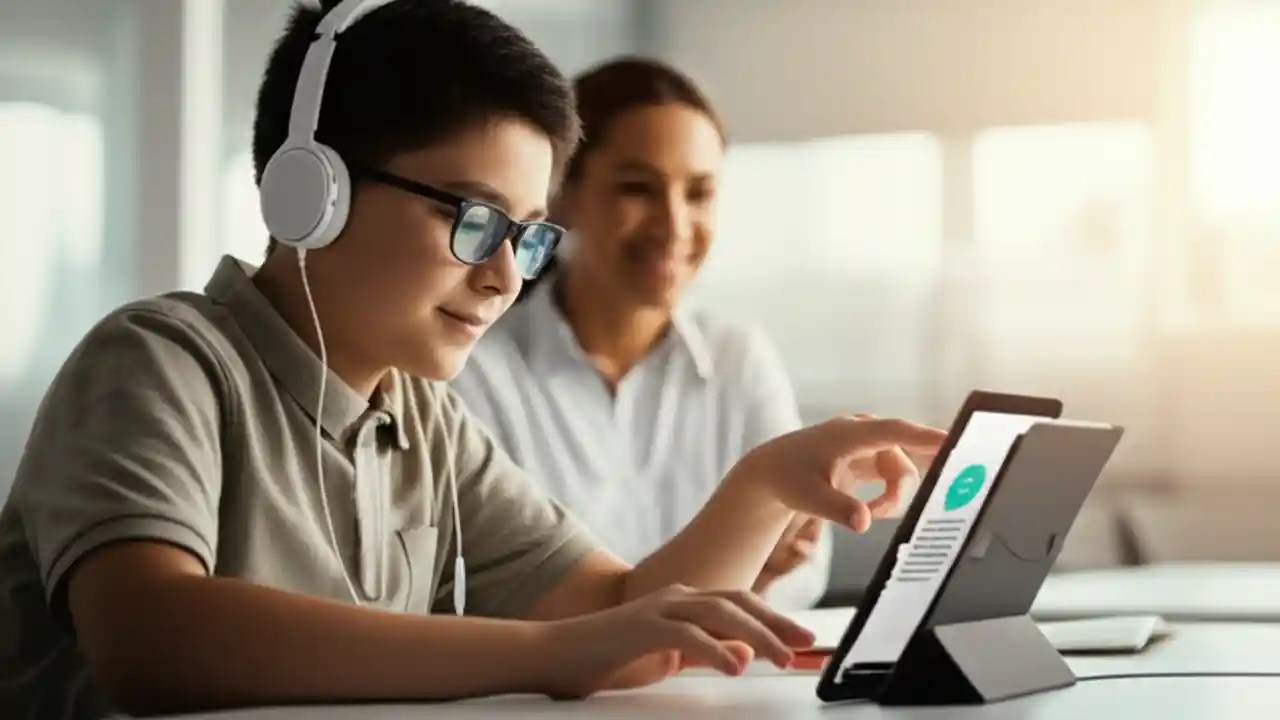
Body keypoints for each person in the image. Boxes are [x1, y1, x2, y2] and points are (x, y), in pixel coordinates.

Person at [0, 1, 943, 718]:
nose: (504, 276)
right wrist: (543, 651)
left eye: (528, 235)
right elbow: (153, 636)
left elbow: (625, 613)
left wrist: (764, 483)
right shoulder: (160, 362)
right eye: (471, 218)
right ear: (310, 192)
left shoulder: (421, 420)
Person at [453, 58, 837, 609]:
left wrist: (775, 561)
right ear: (564, 195)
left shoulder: (737, 357)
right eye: (638, 188)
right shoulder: (478, 368)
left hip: (718, 685)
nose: (675, 226)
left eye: (699, 194)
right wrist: (733, 563)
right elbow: (499, 593)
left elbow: (803, 571)